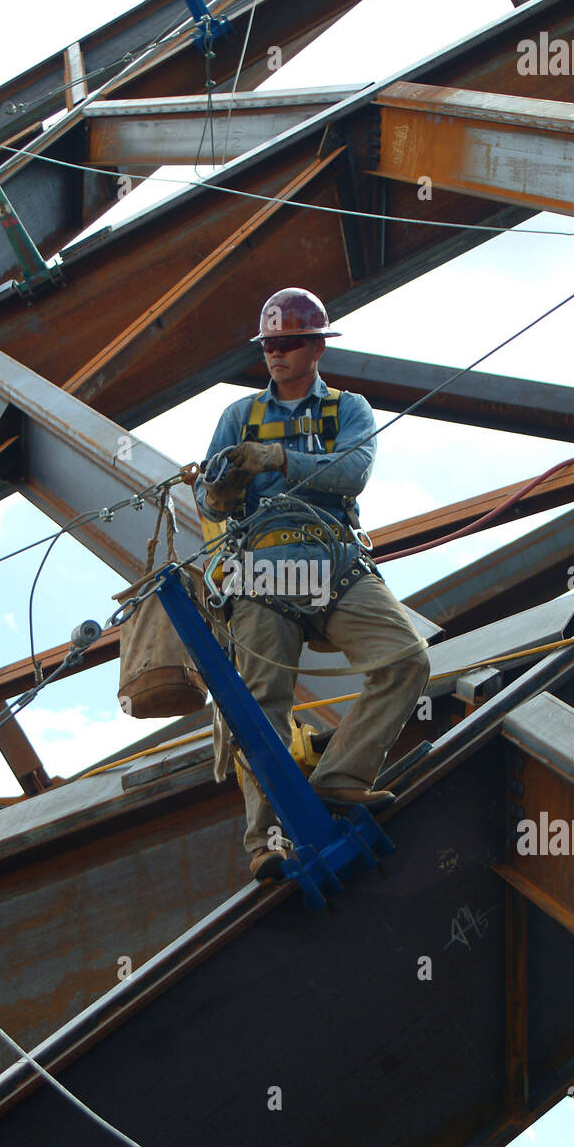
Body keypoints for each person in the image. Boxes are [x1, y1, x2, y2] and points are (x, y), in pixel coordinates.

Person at [195, 287, 430, 882]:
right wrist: (218, 491)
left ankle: (342, 778)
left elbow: (353, 473)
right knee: (260, 704)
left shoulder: (348, 410)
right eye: (269, 343)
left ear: (316, 347)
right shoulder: (237, 417)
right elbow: (206, 495)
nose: (275, 353)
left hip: (334, 562)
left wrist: (275, 460)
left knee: (405, 658)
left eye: (287, 342)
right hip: (262, 569)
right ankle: (268, 841)